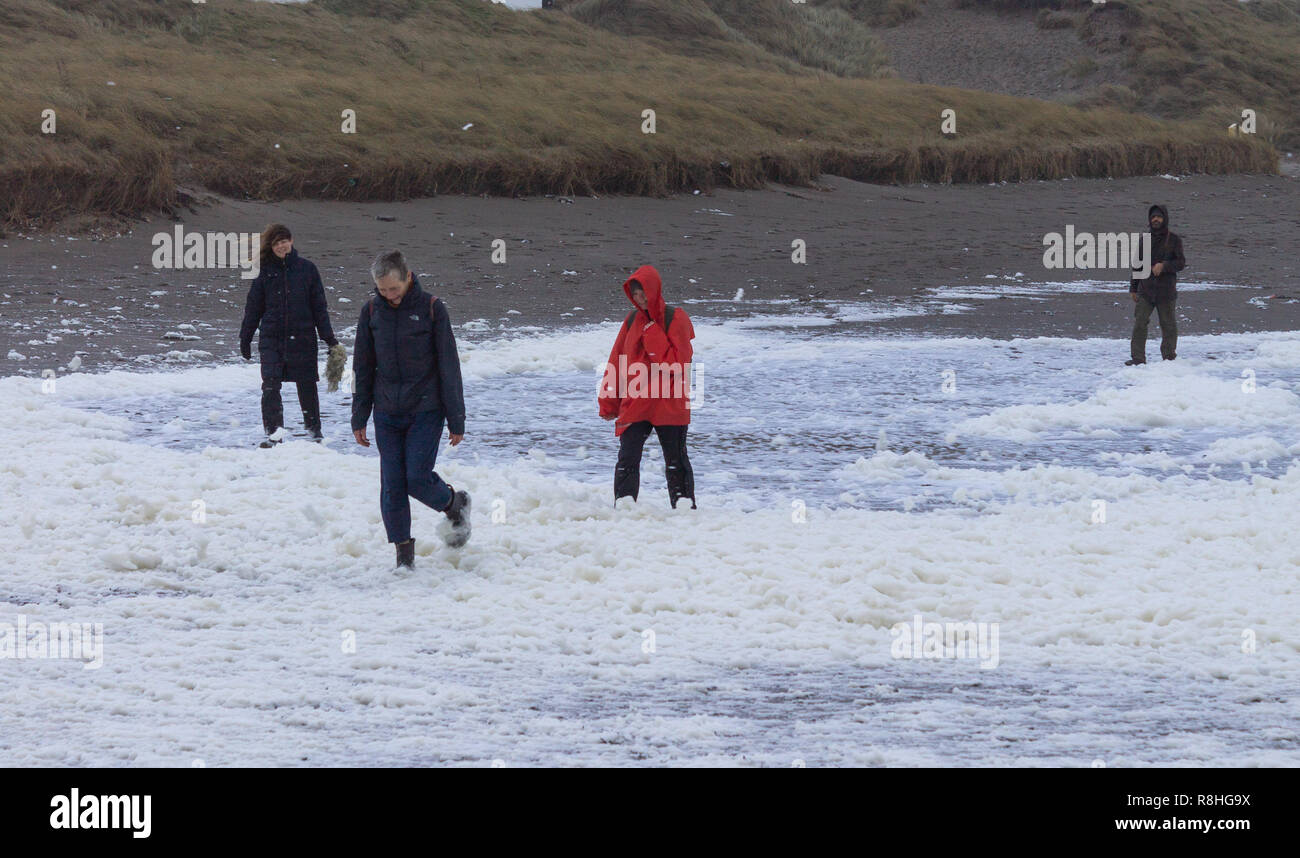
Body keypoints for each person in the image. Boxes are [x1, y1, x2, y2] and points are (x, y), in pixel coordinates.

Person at [351, 250, 470, 568]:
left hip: (426, 410)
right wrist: (359, 415)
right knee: (392, 485)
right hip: (387, 411)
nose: (389, 295)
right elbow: (363, 366)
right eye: (382, 289)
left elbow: (448, 364)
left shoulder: (432, 308)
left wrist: (456, 418)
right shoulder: (371, 311)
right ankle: (404, 558)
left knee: (415, 478)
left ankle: (453, 503)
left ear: (408, 277)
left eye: (394, 288)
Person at [598, 265, 697, 509]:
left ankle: (684, 509)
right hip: (636, 403)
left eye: (643, 293)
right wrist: (609, 401)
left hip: (669, 404)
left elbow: (677, 364)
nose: (639, 299)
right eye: (635, 294)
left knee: (676, 460)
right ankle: (624, 507)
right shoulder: (631, 320)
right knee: (627, 459)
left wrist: (652, 333)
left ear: (653, 291)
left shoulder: (676, 318)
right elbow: (617, 360)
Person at [240, 224, 342, 445]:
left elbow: (319, 308)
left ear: (292, 241)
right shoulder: (263, 272)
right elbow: (253, 308)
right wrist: (245, 338)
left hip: (303, 336)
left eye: (284, 241)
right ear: (271, 246)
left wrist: (329, 339)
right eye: (276, 243)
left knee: (306, 385)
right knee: (270, 386)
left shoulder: (307, 269)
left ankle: (314, 432)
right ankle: (274, 434)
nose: (281, 246)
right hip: (272, 339)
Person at [1128, 204, 1186, 365]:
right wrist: (1133, 288)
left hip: (1166, 291)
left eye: (1159, 217)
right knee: (1140, 323)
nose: (1156, 219)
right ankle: (1137, 359)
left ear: (1164, 219)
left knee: (1168, 325)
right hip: (1145, 290)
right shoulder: (1144, 240)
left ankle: (1169, 359)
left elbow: (1181, 263)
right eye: (1153, 217)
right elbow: (1137, 265)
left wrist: (1165, 266)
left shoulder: (1174, 240)